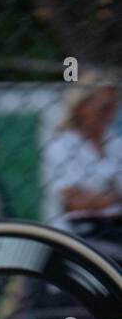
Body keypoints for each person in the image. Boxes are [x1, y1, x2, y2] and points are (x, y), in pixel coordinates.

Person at [43, 78, 122, 227]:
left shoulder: (116, 144)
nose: (110, 115)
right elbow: (75, 203)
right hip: (81, 230)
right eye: (103, 108)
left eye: (114, 108)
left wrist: (99, 198)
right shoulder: (62, 146)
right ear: (81, 107)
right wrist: (114, 197)